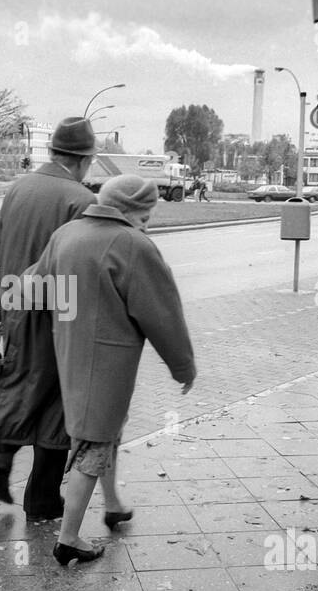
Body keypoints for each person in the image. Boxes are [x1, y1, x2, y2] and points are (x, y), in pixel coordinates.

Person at [26, 174, 196, 564]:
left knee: (103, 433)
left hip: (70, 356)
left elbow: (33, 287)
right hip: (108, 363)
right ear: (134, 211)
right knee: (95, 443)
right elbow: (162, 314)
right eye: (147, 216)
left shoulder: (67, 234)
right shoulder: (134, 246)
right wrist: (182, 366)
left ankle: (114, 503)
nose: (147, 224)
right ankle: (69, 539)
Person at [0, 116, 98, 520]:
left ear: (52, 152)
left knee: (15, 388)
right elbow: (81, 265)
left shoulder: (18, 188)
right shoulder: (82, 200)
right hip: (58, 313)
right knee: (58, 407)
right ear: (84, 158)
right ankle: (43, 498)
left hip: (15, 301)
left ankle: (0, 469)